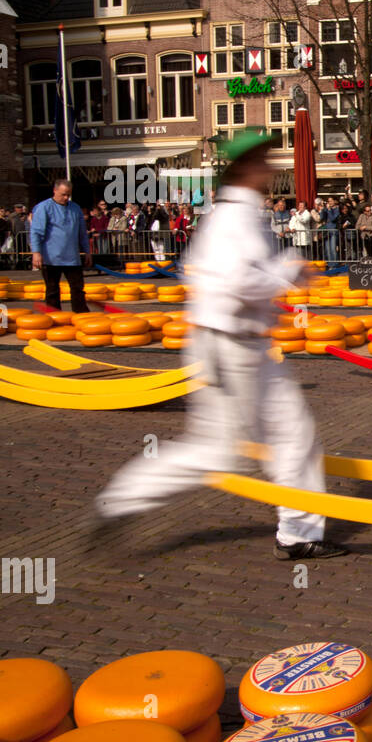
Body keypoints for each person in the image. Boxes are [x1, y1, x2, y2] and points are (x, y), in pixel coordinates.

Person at [95, 133, 346, 560]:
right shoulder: (235, 218)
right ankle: (122, 499)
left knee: (293, 435)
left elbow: (222, 274)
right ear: (246, 169)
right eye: (264, 161)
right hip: (233, 346)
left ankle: (298, 532)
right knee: (221, 451)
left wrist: (279, 273)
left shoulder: (233, 213)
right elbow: (237, 282)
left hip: (240, 343)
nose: (271, 169)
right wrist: (288, 274)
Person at [30, 179, 91, 312]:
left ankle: (81, 314)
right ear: (55, 190)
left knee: (78, 289)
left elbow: (82, 233)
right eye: (63, 194)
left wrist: (87, 251)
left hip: (72, 257)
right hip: (51, 257)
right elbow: (36, 232)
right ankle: (54, 316)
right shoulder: (44, 207)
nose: (66, 198)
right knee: (52, 290)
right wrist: (36, 252)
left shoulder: (75, 208)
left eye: (68, 195)